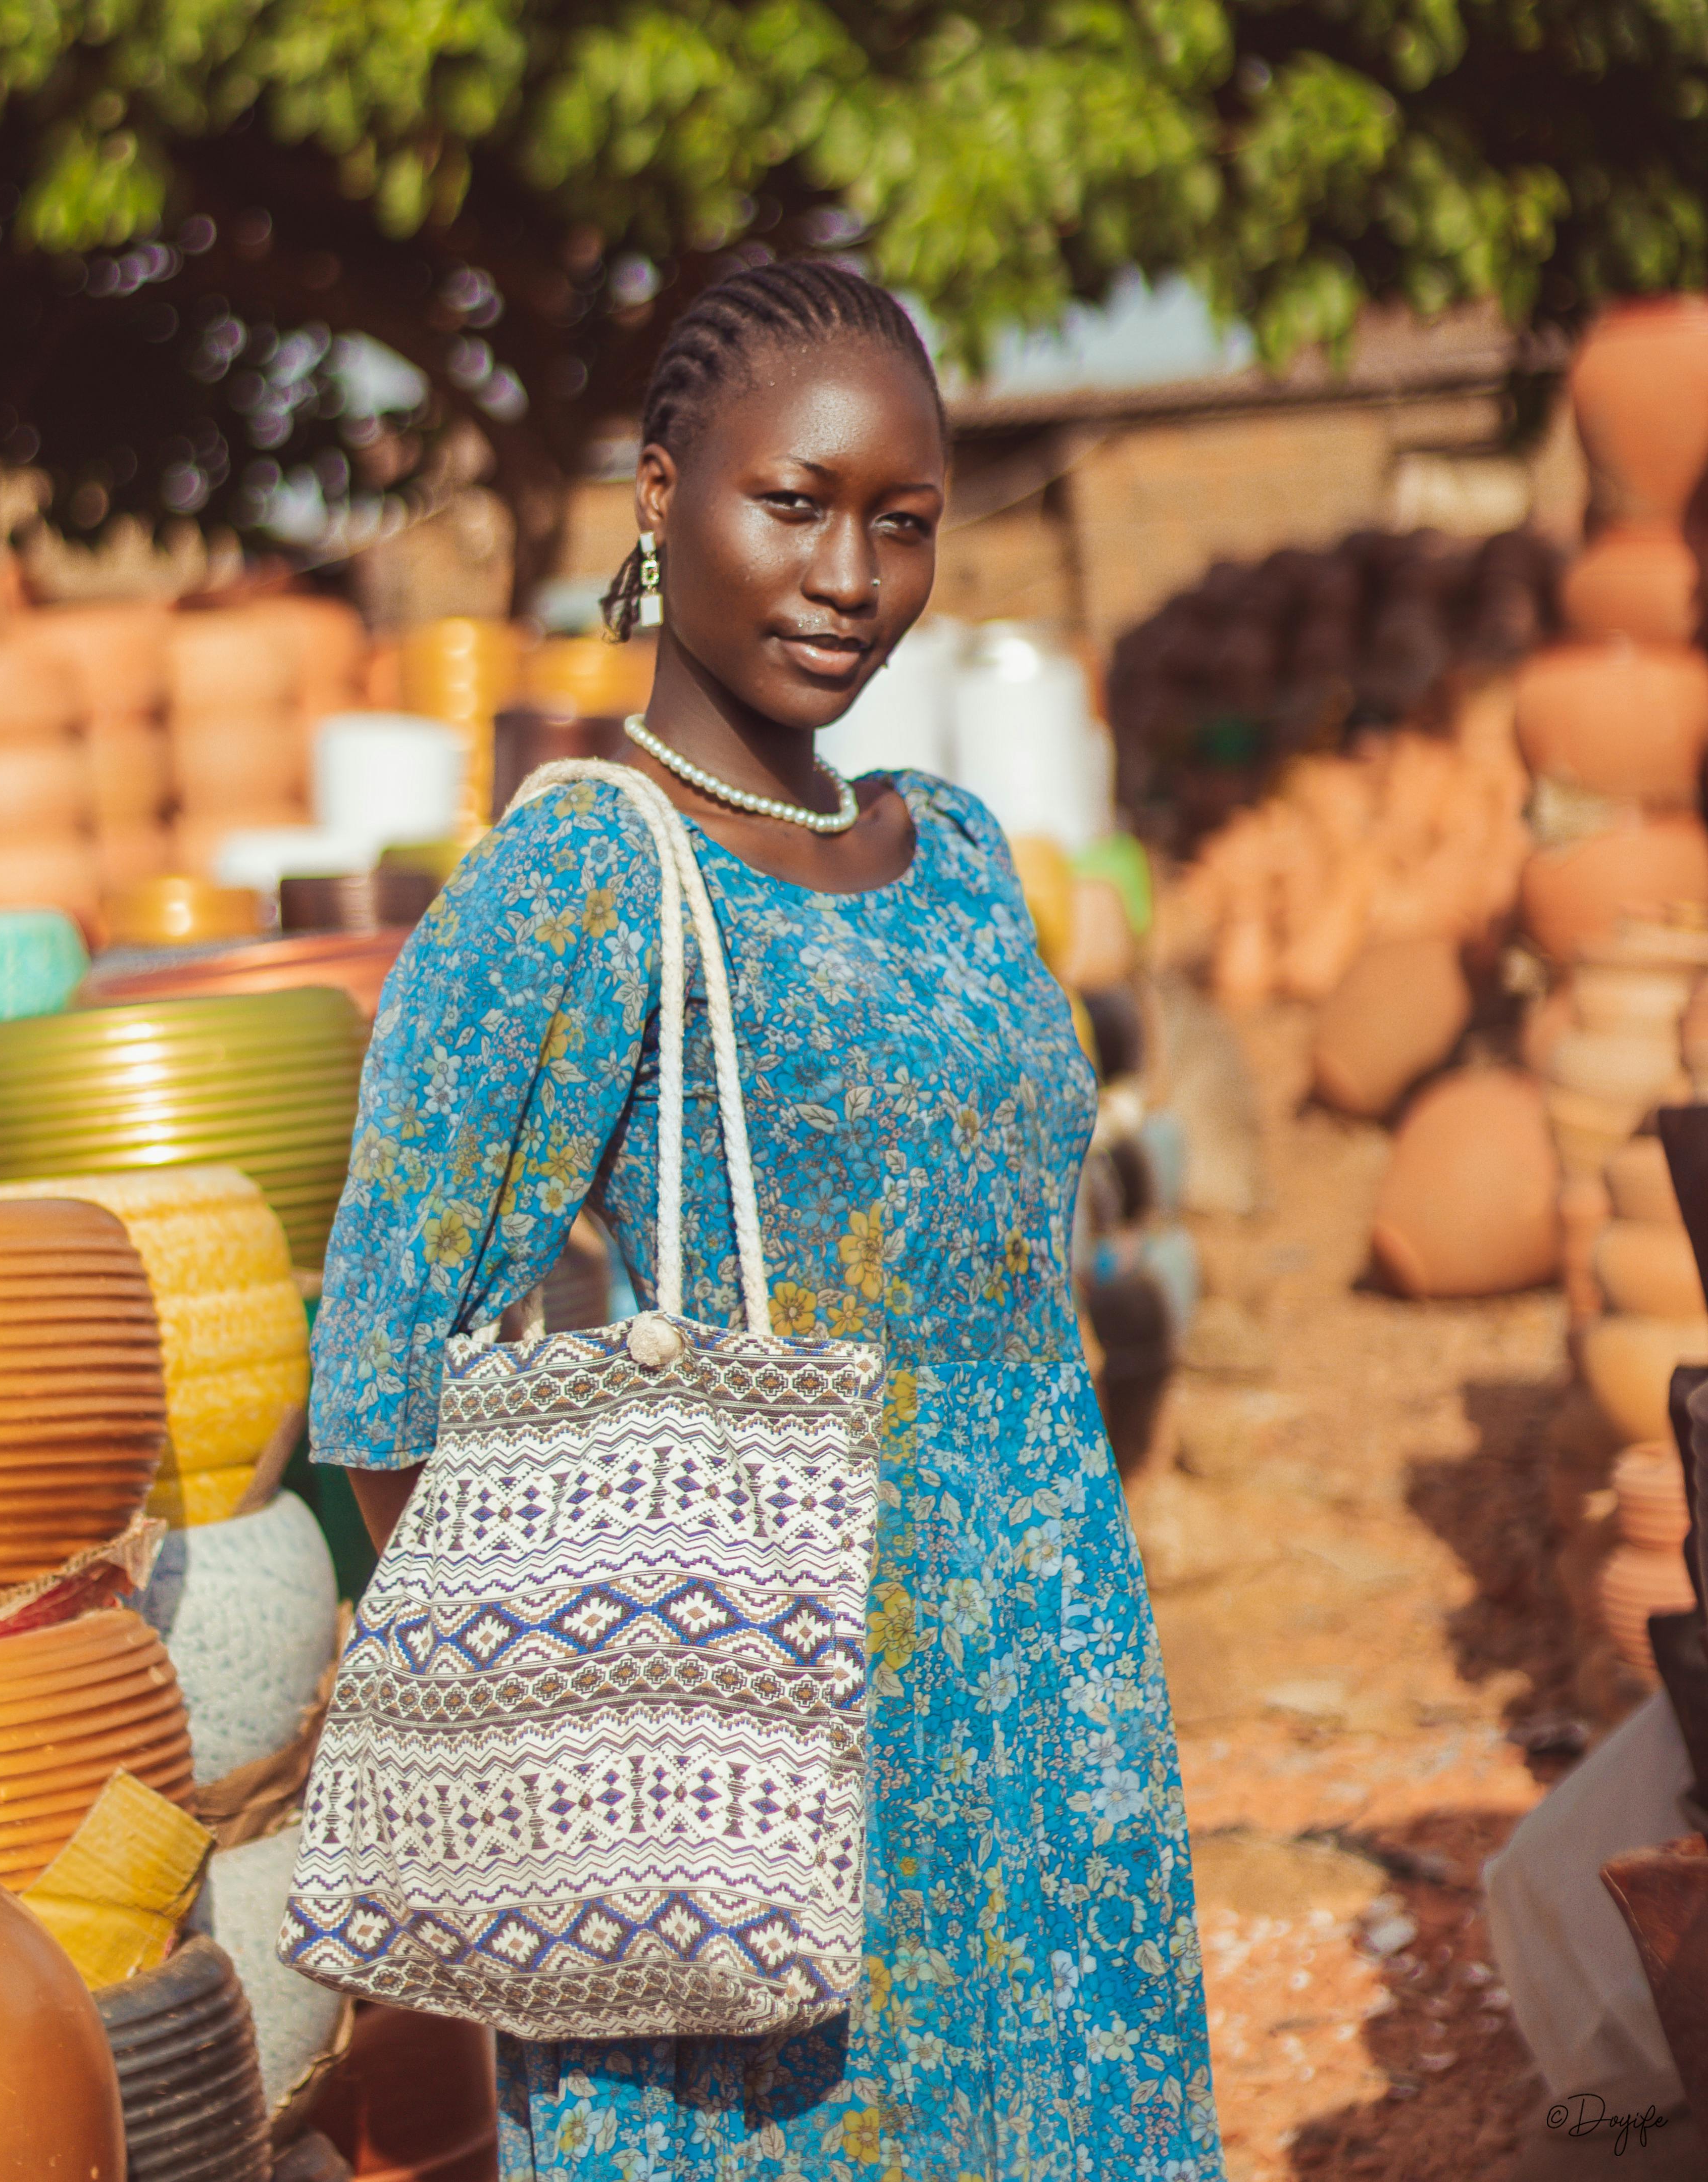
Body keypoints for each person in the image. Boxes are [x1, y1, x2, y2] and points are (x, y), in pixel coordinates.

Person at [310, 260, 1221, 2180]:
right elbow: (388, 1360)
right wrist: (588, 1690)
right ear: (660, 496)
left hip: (1047, 1689)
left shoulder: (959, 851)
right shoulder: (579, 876)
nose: (849, 577)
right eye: (791, 504)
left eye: (904, 525)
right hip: (752, 1713)